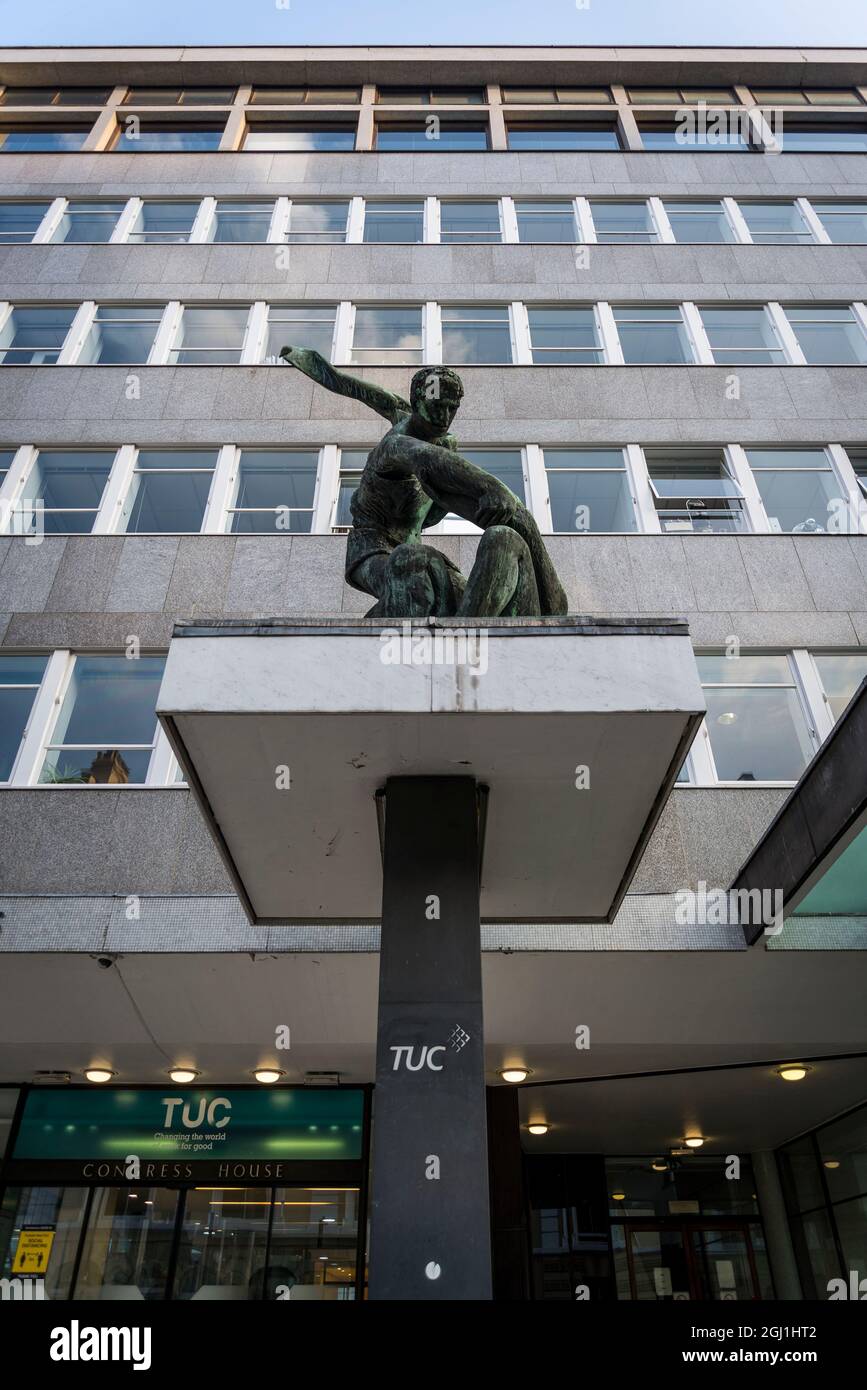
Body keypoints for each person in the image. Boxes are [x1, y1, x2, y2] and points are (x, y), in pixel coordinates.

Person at [279, 346, 568, 618]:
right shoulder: (395, 447)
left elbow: (368, 395)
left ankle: (468, 635)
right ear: (418, 401)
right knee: (411, 563)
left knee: (502, 538)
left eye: (451, 408)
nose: (444, 417)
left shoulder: (439, 440)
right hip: (374, 552)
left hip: (417, 552)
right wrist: (492, 488)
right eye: (437, 406)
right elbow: (351, 388)